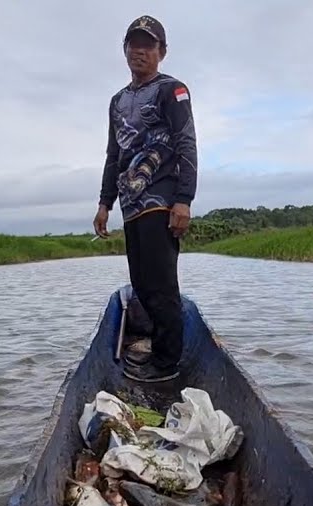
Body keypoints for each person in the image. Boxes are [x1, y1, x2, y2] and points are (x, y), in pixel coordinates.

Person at [94, 15, 197, 384]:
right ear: (124, 50)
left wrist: (183, 198)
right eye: (134, 44)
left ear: (161, 52)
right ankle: (157, 349)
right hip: (130, 204)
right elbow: (113, 154)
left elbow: (186, 143)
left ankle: (168, 364)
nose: (140, 51)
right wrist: (105, 202)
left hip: (161, 199)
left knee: (161, 284)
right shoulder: (117, 101)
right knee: (139, 282)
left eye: (148, 45)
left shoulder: (173, 91)